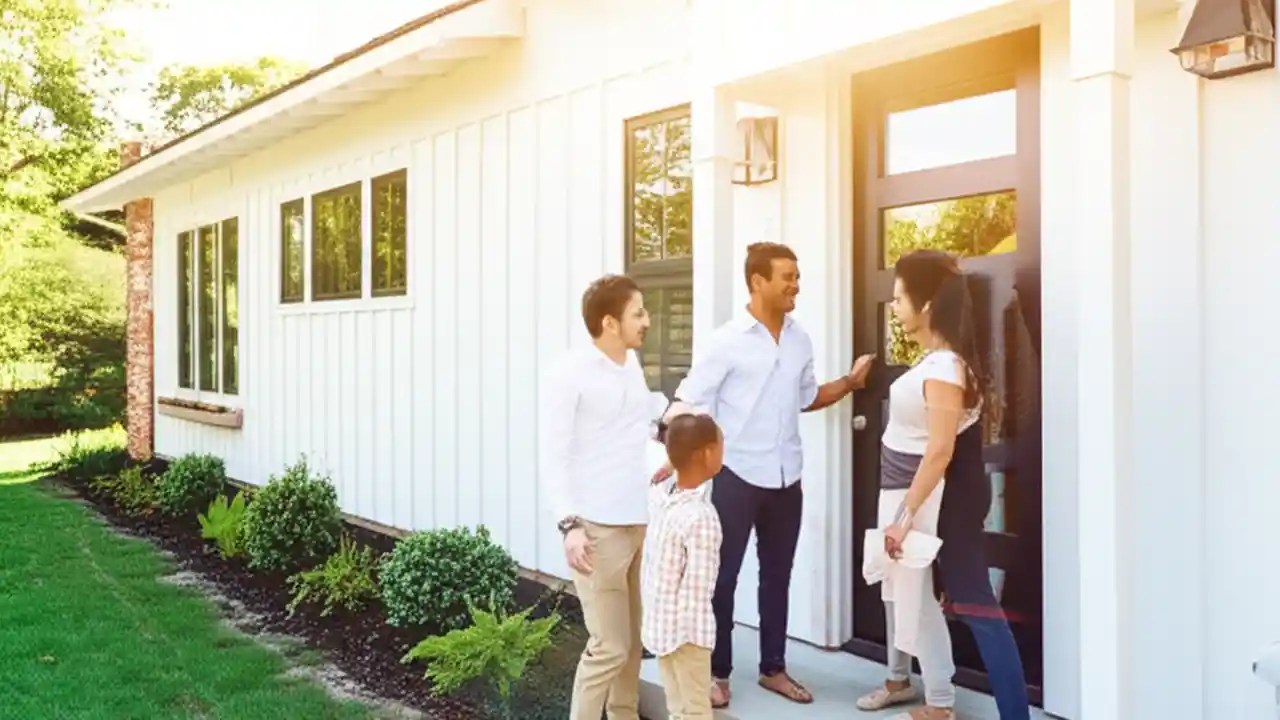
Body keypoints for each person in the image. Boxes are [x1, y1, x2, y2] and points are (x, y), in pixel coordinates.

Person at [661, 242, 874, 708]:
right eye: (787, 277)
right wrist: (675, 457)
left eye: (797, 276)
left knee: (777, 576)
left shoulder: (800, 339)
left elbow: (806, 397)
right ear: (758, 282)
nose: (796, 285)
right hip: (737, 475)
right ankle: (717, 674)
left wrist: (849, 383)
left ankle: (773, 668)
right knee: (722, 579)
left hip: (786, 478)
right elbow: (688, 399)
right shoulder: (726, 341)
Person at [856, 250, 1030, 720]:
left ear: (927, 303)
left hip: (944, 503)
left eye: (899, 298)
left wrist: (904, 517)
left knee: (975, 604)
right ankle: (938, 702)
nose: (894, 307)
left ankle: (1015, 714)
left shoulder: (946, 369)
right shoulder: (936, 362)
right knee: (923, 601)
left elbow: (940, 450)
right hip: (925, 498)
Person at [540, 274, 662, 720]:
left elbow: (639, 423)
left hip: (638, 520)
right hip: (596, 529)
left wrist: (673, 415)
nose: (646, 321)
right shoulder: (569, 373)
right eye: (638, 313)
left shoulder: (630, 366)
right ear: (610, 322)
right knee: (609, 646)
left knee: (631, 644)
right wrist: (569, 524)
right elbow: (553, 455)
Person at [641, 411, 724, 720]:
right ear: (706, 455)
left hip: (660, 627)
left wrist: (673, 464)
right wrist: (700, 639)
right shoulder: (701, 517)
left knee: (677, 708)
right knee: (696, 711)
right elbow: (698, 589)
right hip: (688, 635)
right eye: (721, 447)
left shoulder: (661, 499)